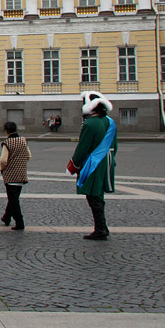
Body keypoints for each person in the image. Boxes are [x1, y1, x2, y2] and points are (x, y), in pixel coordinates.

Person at [68, 91, 118, 241]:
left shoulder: (90, 124)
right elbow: (114, 145)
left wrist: (74, 164)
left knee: (93, 196)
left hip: (93, 163)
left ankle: (100, 228)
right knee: (99, 195)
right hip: (106, 161)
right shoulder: (109, 121)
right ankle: (103, 227)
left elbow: (83, 148)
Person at [0, 121, 31, 230]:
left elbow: (3, 160)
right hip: (21, 173)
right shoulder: (23, 141)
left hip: (10, 174)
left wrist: (2, 169)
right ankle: (6, 217)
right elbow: (28, 155)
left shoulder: (7, 142)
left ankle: (19, 222)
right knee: (14, 197)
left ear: (6, 130)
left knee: (13, 200)